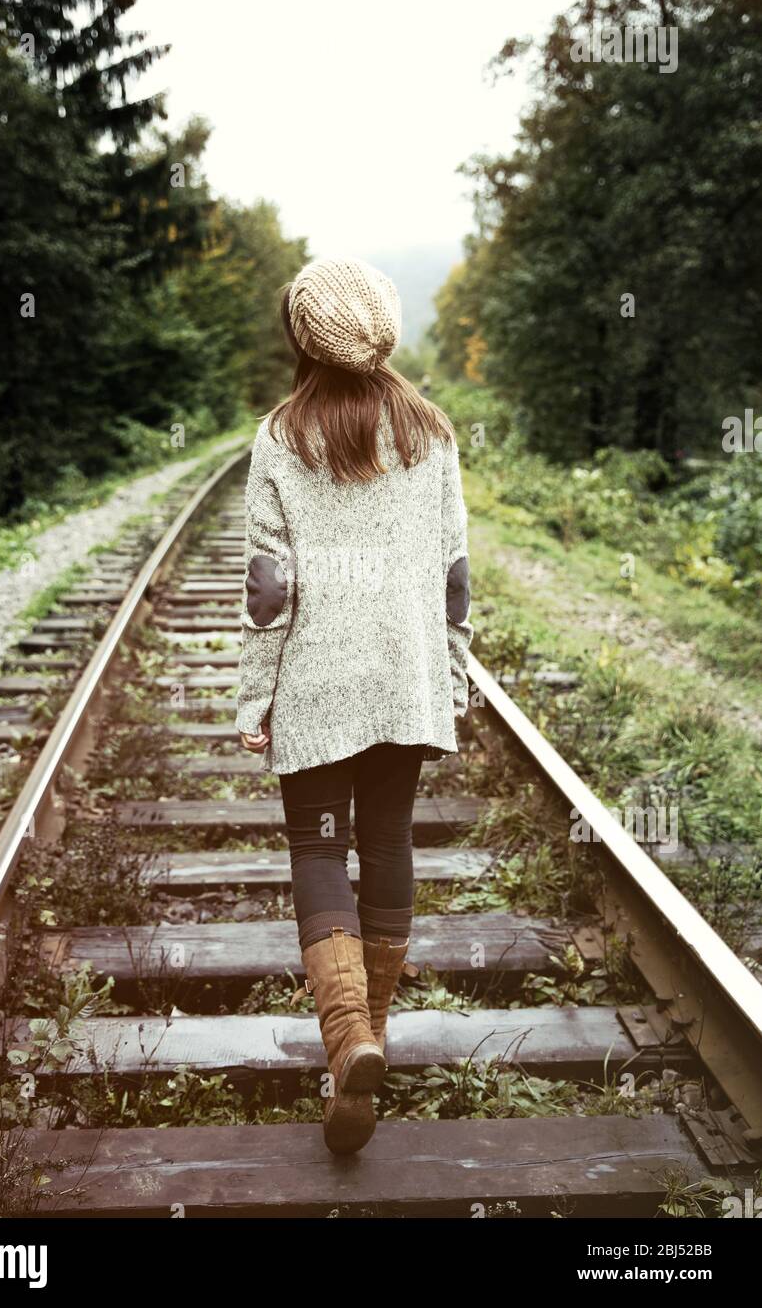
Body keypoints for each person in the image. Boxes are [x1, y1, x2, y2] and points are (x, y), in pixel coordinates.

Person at [235, 257, 472, 1154]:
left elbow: (270, 588)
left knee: (316, 845)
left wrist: (256, 693)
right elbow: (455, 580)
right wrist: (448, 678)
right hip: (403, 681)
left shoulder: (280, 437)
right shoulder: (432, 433)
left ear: (303, 338)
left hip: (318, 684)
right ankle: (366, 1039)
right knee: (387, 841)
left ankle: (348, 1044)